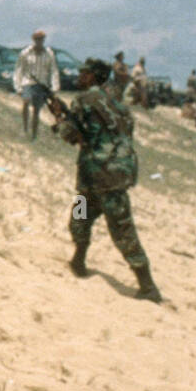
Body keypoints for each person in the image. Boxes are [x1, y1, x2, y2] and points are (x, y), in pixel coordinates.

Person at [46, 59, 161, 303]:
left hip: (99, 174)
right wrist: (68, 116)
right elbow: (99, 132)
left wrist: (59, 117)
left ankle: (148, 286)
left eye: (84, 73)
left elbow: (71, 136)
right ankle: (78, 261)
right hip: (114, 173)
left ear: (93, 77)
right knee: (82, 216)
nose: (79, 76)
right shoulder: (119, 104)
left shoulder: (84, 100)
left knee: (119, 228)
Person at [12, 29, 60, 140]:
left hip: (41, 84)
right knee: (26, 101)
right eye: (37, 39)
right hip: (28, 82)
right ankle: (25, 129)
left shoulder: (49, 53)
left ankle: (34, 134)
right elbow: (19, 70)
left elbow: (53, 70)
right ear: (34, 40)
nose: (39, 41)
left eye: (41, 39)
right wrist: (18, 86)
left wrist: (55, 86)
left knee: (36, 110)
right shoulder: (25, 53)